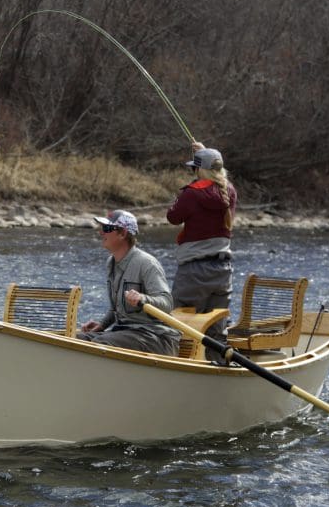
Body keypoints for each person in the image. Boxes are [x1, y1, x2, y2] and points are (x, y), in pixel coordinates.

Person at [166, 142, 237, 361]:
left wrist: (198, 169)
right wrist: (204, 154)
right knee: (216, 330)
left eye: (194, 168)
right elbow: (215, 182)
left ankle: (177, 367)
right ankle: (216, 369)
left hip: (194, 271)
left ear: (199, 170)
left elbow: (173, 217)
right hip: (223, 271)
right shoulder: (230, 191)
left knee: (178, 324)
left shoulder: (192, 193)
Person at [77, 209, 181, 356]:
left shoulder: (147, 263)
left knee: (100, 345)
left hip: (156, 337)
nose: (101, 233)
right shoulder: (111, 263)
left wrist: (143, 299)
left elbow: (167, 303)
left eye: (106, 228)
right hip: (127, 333)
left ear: (123, 233)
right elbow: (116, 310)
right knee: (77, 339)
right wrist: (101, 326)